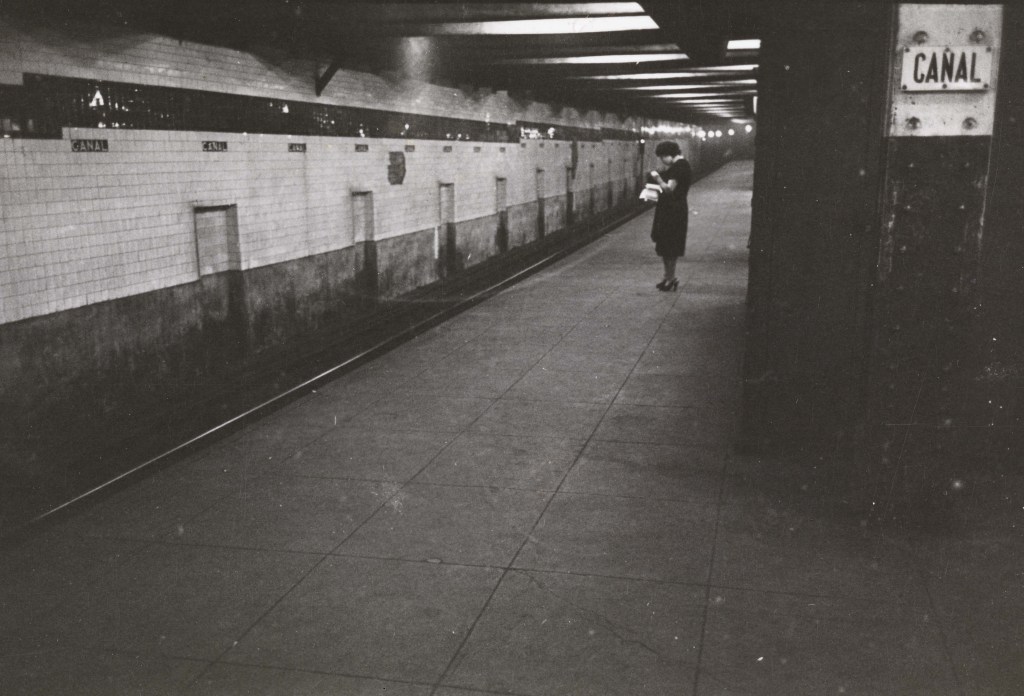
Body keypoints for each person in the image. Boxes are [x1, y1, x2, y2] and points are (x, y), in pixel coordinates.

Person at [648, 141, 691, 291]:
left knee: (670, 247)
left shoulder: (679, 167)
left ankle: (671, 279)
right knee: (666, 246)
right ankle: (667, 277)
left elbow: (669, 189)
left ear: (669, 155)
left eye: (662, 157)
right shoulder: (679, 166)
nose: (661, 161)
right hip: (671, 210)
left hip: (674, 212)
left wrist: (657, 177)